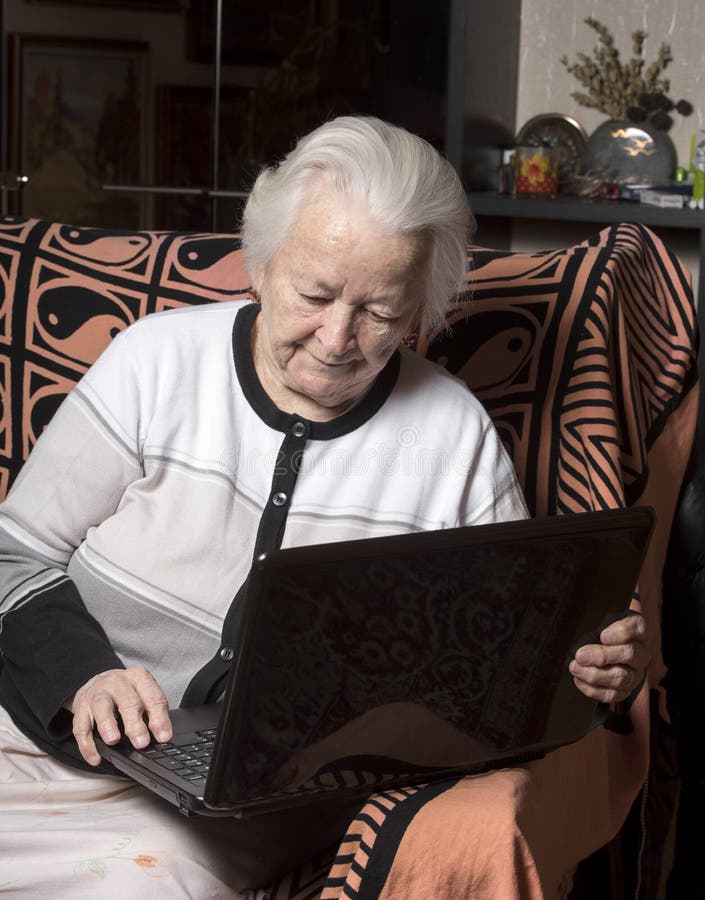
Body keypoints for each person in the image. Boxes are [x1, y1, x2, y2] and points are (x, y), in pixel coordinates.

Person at [0, 116, 647, 898]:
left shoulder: (451, 436)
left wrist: (595, 661)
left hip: (234, 809)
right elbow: (14, 553)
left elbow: (511, 656)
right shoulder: (155, 361)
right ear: (260, 266)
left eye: (380, 312)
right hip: (37, 734)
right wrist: (84, 677)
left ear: (419, 312)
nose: (337, 337)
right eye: (313, 294)